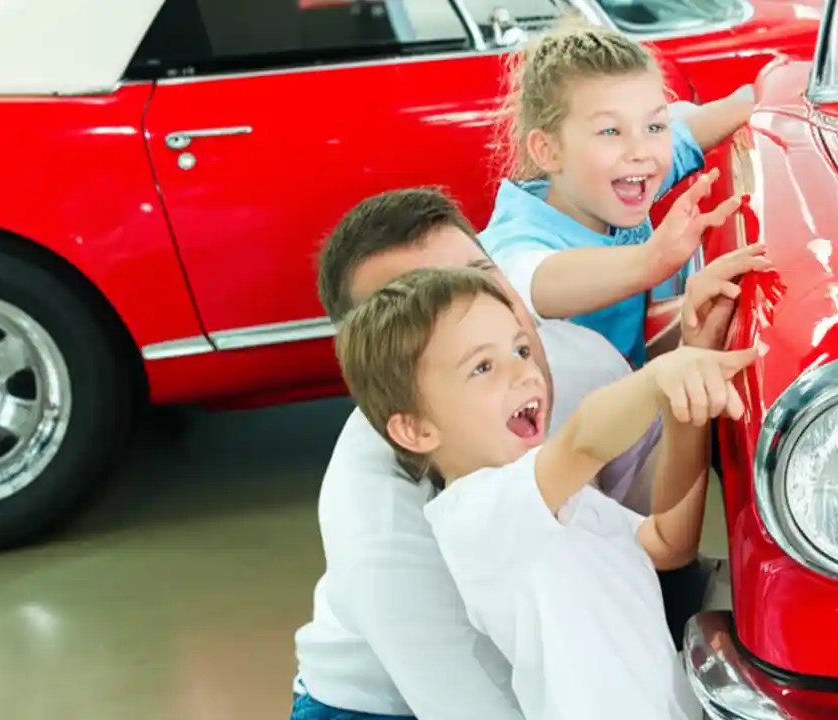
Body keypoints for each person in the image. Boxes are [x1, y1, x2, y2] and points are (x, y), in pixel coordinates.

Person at [291, 188, 765, 719]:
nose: (468, 308)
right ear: (401, 404)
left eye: (477, 277)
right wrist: (660, 376)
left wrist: (691, 366)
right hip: (381, 705)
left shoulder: (569, 361)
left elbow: (664, 539)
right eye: (425, 300)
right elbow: (467, 703)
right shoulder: (392, 512)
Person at [479, 21, 756, 367]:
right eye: (610, 131)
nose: (641, 150)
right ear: (548, 150)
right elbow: (525, 278)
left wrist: (765, 93)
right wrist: (653, 260)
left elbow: (698, 126)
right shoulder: (516, 240)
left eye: (653, 125)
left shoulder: (621, 177)